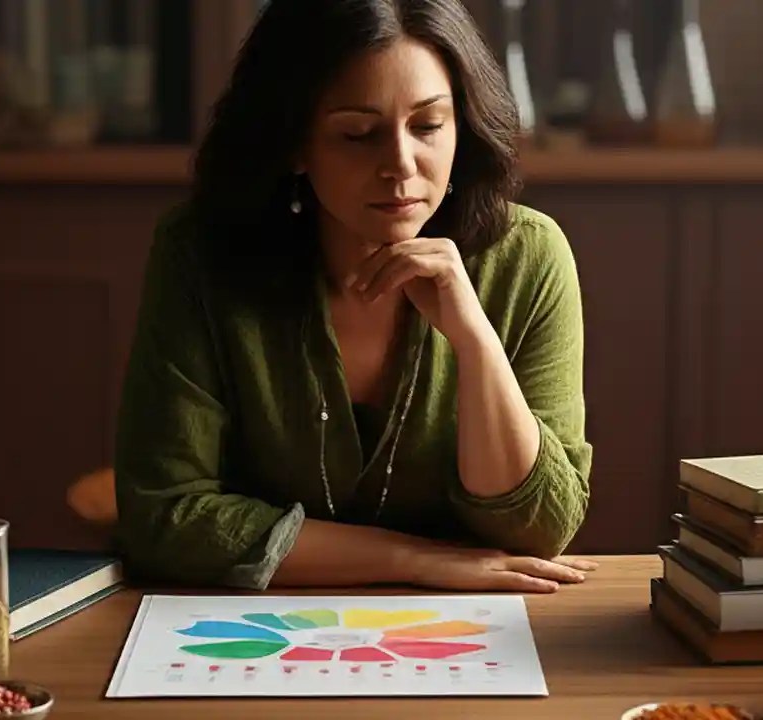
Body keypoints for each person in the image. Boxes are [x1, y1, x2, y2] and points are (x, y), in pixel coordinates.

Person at [111, 0, 594, 592]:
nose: (400, 164)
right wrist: (414, 559)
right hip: (257, 640)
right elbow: (166, 515)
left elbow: (539, 530)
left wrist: (474, 340)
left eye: (427, 126)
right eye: (358, 134)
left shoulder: (528, 255)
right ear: (294, 143)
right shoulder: (201, 256)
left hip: (470, 639)